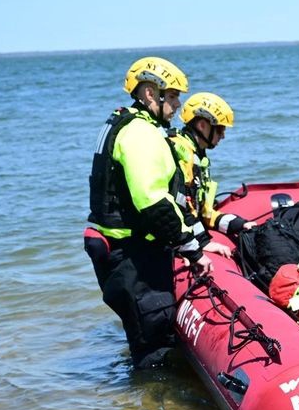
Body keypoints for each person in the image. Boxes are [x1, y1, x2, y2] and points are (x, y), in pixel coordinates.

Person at [85, 57, 213, 369]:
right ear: (150, 93)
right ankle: (152, 400)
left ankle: (145, 398)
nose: (178, 105)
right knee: (153, 348)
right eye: (173, 96)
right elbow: (153, 203)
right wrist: (193, 250)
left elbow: (171, 199)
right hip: (132, 255)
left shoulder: (128, 124)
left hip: (125, 251)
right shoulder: (140, 134)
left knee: (146, 337)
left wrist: (198, 238)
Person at [170, 92, 254, 247]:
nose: (223, 136)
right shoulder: (183, 154)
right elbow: (180, 211)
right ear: (202, 125)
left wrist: (239, 224)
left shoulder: (198, 156)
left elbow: (205, 214)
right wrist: (203, 243)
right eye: (220, 129)